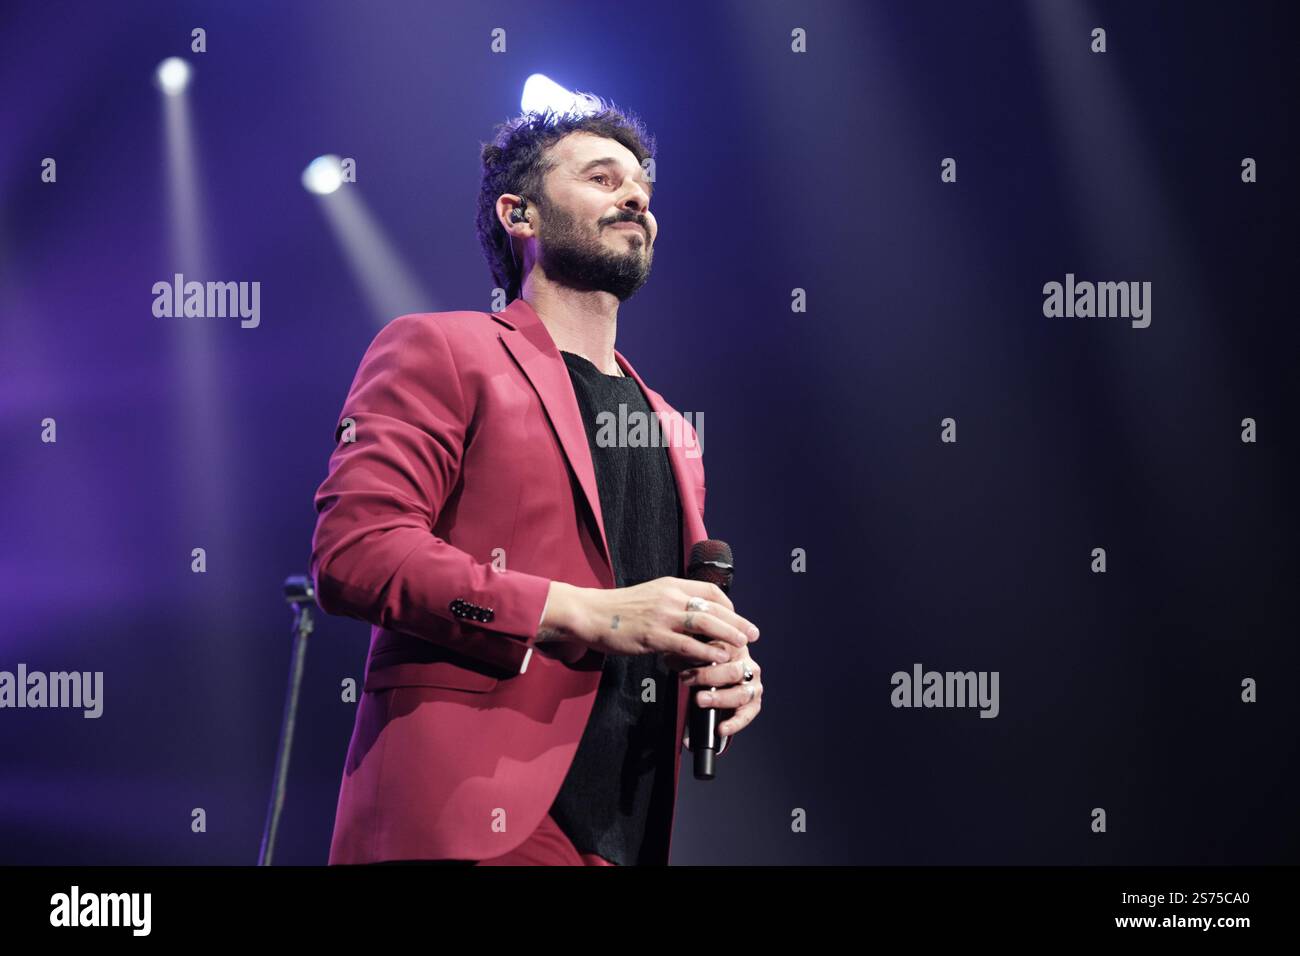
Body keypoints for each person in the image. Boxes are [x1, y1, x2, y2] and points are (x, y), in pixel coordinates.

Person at [310, 98, 763, 866]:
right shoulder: (441, 349)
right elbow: (357, 553)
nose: (636, 199)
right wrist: (581, 612)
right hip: (468, 818)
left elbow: (643, 627)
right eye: (602, 177)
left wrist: (721, 670)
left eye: (643, 190)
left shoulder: (675, 431)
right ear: (520, 215)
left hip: (622, 830)